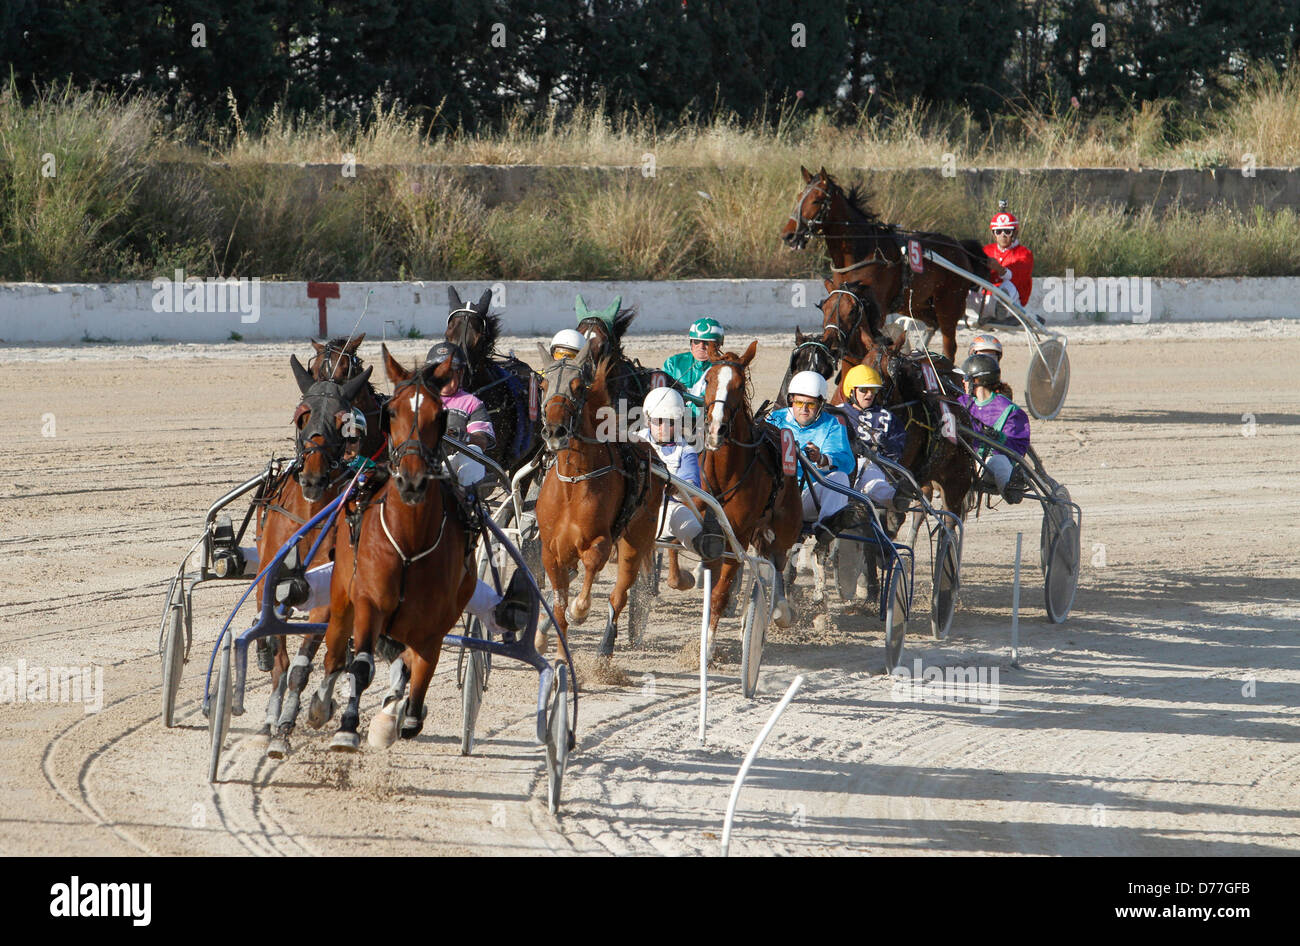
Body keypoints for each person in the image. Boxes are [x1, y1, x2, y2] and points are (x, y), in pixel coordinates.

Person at [635, 388, 724, 570]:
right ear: (648, 420)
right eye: (658, 422)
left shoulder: (685, 450)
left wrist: (676, 488)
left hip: (666, 508)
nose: (664, 428)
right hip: (633, 508)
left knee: (683, 517)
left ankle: (704, 544)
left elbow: (690, 487)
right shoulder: (632, 442)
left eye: (671, 422)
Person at [765, 371, 856, 534]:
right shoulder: (774, 419)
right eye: (799, 403)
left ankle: (826, 530)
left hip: (808, 495)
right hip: (775, 497)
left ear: (821, 404)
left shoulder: (832, 424)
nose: (804, 409)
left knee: (840, 478)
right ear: (791, 400)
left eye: (811, 404)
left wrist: (821, 458)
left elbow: (847, 463)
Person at [959, 353, 1029, 503]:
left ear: (976, 380)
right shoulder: (961, 403)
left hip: (989, 465)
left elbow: (1019, 445)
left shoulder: (1008, 409)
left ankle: (1010, 488)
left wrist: (1000, 438)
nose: (963, 382)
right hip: (964, 461)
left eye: (966, 378)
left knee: (998, 461)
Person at [423, 341, 494, 488]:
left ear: (460, 373)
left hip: (453, 464)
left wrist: (461, 436)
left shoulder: (472, 403)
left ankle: (466, 502)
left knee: (475, 450)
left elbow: (482, 442)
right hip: (420, 464)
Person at [840, 364, 910, 512]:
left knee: (873, 484)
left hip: (871, 464)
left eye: (873, 390)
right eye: (864, 390)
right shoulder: (836, 413)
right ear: (851, 391)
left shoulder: (886, 417)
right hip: (841, 463)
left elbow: (897, 450)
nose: (869, 394)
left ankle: (896, 499)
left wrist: (884, 442)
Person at [661, 317, 724, 413]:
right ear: (691, 342)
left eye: (707, 343)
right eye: (697, 341)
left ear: (718, 345)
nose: (701, 347)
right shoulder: (673, 363)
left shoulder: (724, 369)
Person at [983, 209, 1034, 307]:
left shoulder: (1024, 254)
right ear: (993, 234)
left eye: (1007, 231)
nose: (1003, 235)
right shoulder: (986, 250)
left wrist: (999, 269)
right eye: (998, 232)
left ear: (1015, 233)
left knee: (1008, 286)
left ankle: (1000, 308)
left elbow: (1015, 277)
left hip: (1013, 301)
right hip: (987, 298)